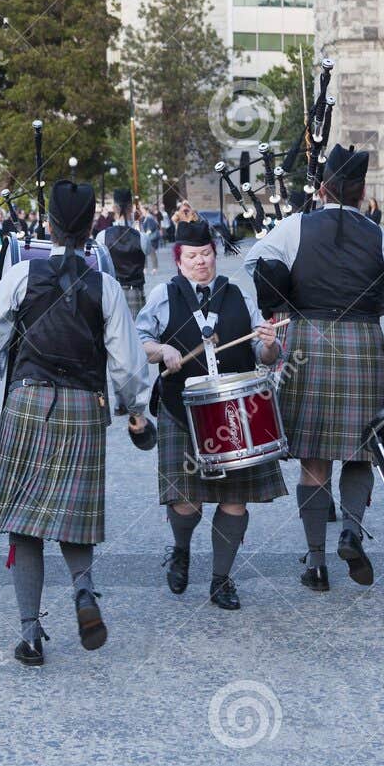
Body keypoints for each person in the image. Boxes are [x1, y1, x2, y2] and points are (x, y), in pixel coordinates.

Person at [0, 179, 149, 666]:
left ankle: (30, 635)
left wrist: (7, 338)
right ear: (92, 227)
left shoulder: (25, 275)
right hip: (83, 406)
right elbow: (129, 367)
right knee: (74, 514)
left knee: (24, 522)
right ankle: (84, 591)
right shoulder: (104, 285)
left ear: (48, 226)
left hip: (28, 400)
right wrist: (136, 411)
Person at [246, 145, 384, 590]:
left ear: (322, 187)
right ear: (361, 192)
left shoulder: (295, 226)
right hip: (363, 341)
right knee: (360, 449)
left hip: (307, 339)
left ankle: (316, 562)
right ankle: (351, 530)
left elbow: (257, 263)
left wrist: (280, 303)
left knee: (313, 456)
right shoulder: (380, 236)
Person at [138, 211, 286, 610]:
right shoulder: (162, 296)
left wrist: (270, 343)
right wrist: (162, 349)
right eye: (193, 256)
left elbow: (265, 354)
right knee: (185, 502)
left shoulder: (237, 295)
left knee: (233, 501)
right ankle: (182, 547)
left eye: (207, 254)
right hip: (180, 410)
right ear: (179, 259)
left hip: (234, 416)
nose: (201, 261)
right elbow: (139, 341)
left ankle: (221, 579)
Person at [95, 187, 148, 316]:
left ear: (114, 208)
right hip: (134, 293)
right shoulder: (142, 237)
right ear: (131, 208)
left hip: (110, 293)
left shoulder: (102, 236)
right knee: (136, 334)